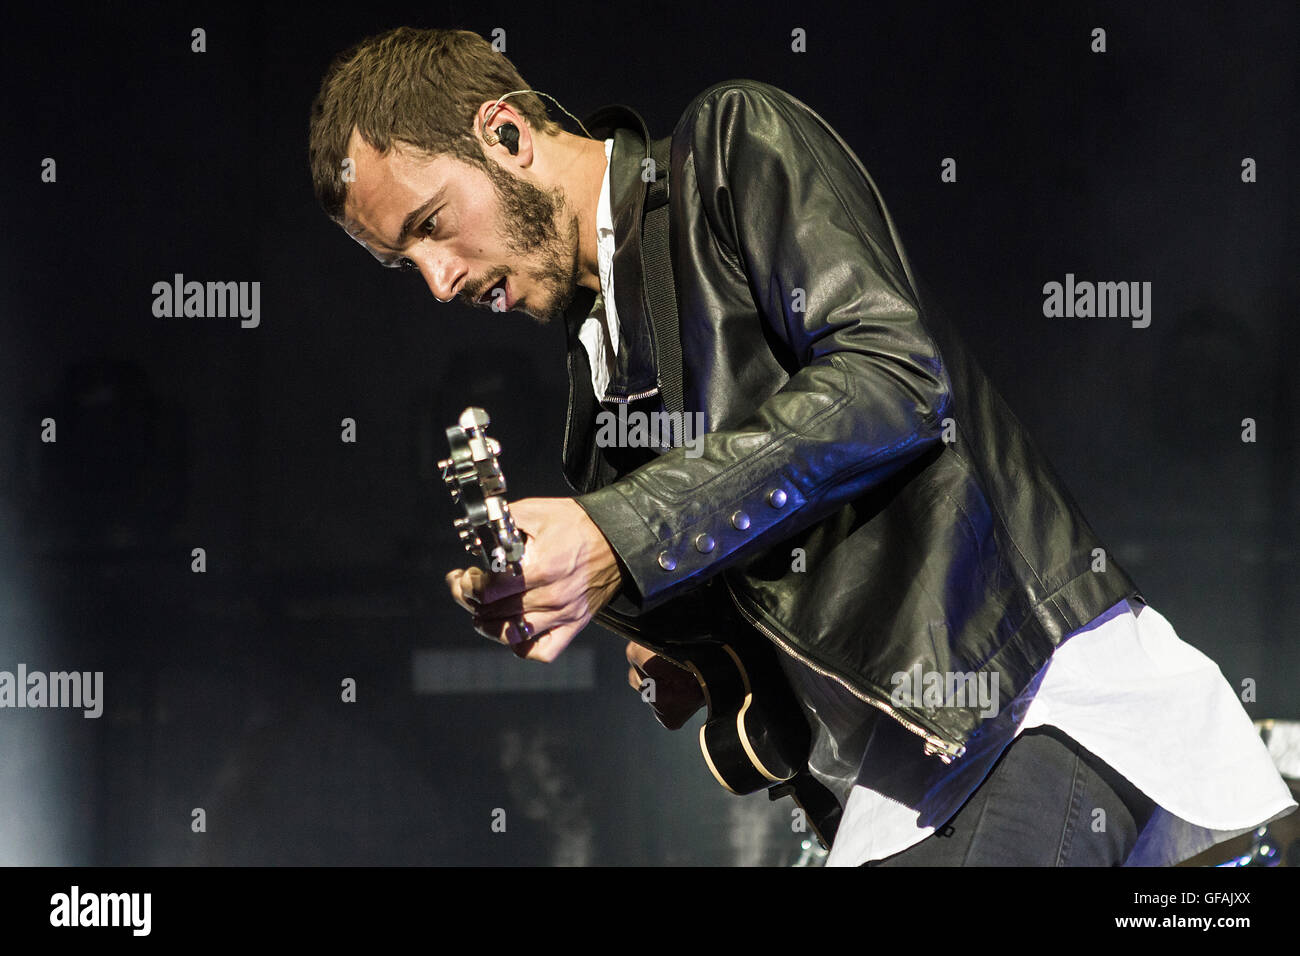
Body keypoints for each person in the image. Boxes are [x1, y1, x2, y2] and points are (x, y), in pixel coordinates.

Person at [307, 26, 1296, 865]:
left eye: (433, 225)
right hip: (883, 797)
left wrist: (617, 533)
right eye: (406, 262)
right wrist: (648, 630)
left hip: (1025, 705)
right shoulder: (591, 412)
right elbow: (758, 607)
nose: (437, 281)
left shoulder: (729, 150)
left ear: (507, 131)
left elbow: (892, 379)